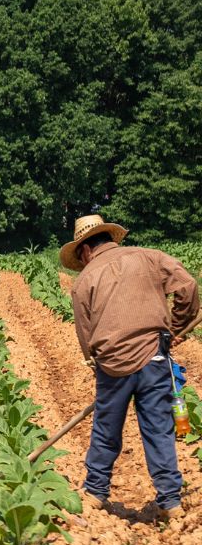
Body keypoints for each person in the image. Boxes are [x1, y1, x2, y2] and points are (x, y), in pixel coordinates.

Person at [62, 214, 199, 521]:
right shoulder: (149, 257)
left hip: (113, 364)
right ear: (109, 238)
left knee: (106, 431)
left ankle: (96, 493)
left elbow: (86, 337)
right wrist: (176, 328)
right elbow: (188, 286)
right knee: (158, 430)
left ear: (84, 250)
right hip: (154, 357)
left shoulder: (84, 281)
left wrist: (98, 367)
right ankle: (170, 501)